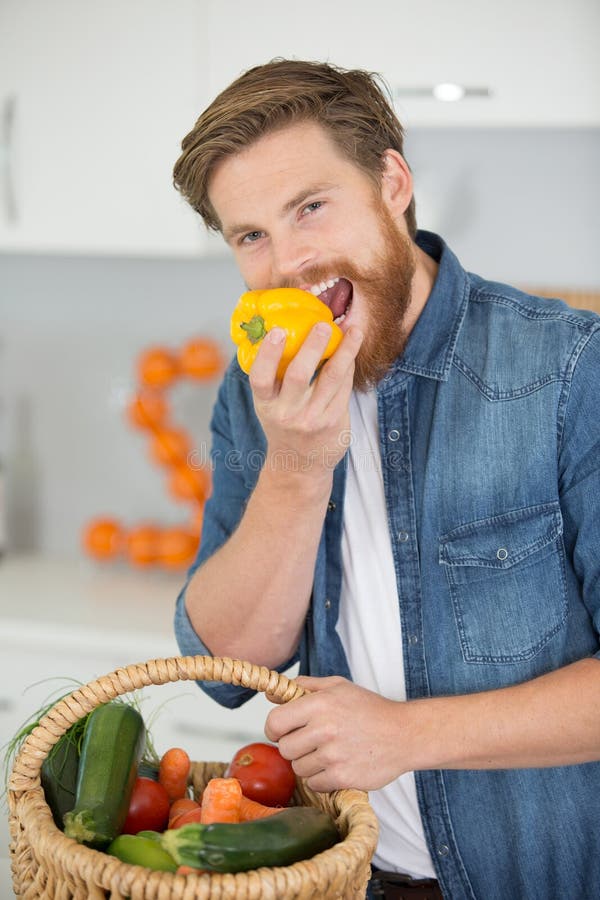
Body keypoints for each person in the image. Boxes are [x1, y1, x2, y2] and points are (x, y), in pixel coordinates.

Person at [172, 59, 600, 900]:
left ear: (392, 183)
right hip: (354, 879)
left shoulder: (568, 369)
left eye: (311, 208)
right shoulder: (255, 390)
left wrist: (407, 735)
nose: (288, 262)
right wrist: (295, 467)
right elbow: (224, 667)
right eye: (250, 236)